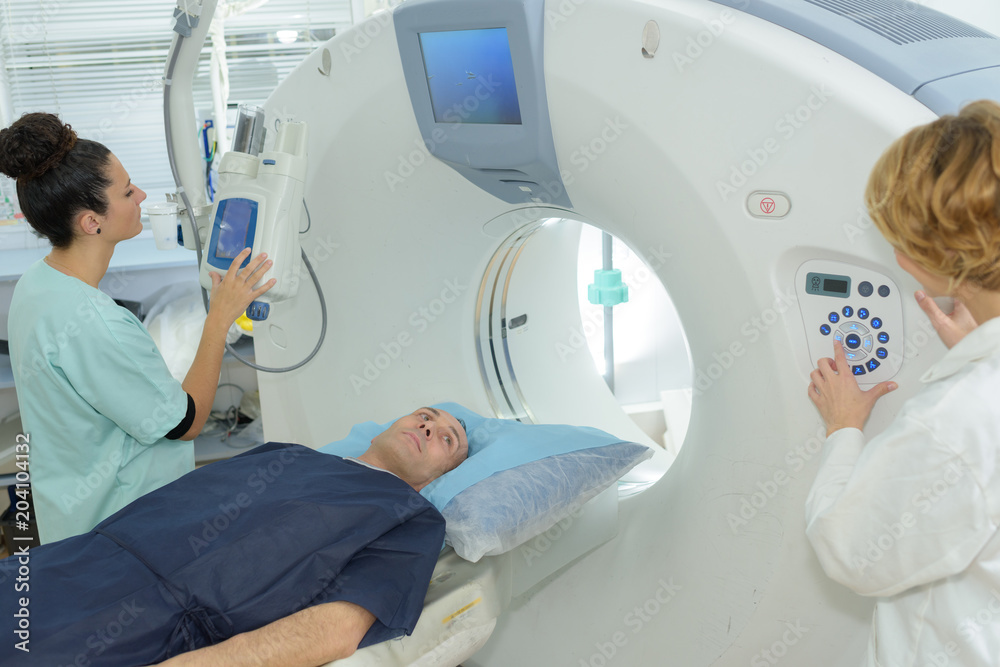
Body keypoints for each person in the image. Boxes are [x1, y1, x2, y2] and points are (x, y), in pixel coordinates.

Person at [0, 406, 469, 667]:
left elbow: (336, 629)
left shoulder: (411, 518)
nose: (429, 427)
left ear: (437, 477)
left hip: (146, 619)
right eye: (425, 416)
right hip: (84, 557)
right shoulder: (287, 453)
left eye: (447, 439)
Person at [0, 112, 276, 544]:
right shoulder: (95, 322)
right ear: (92, 222)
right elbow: (185, 422)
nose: (142, 195)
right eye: (128, 191)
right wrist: (219, 319)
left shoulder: (37, 282)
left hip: (70, 517)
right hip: (122, 532)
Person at [805, 99, 1000, 666]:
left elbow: (849, 551)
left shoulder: (955, 420)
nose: (894, 252)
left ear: (936, 260)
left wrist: (843, 429)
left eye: (901, 241)